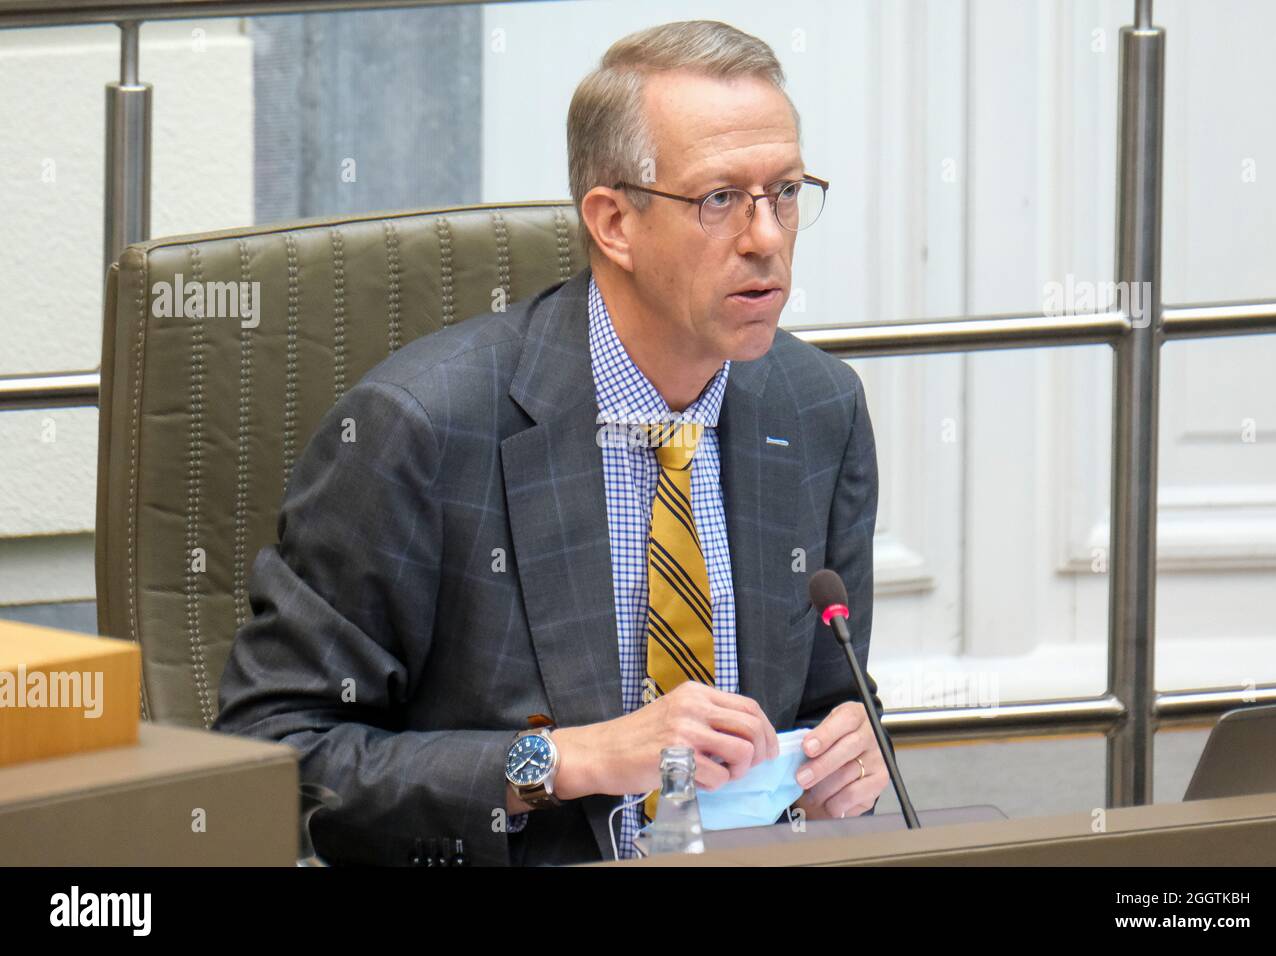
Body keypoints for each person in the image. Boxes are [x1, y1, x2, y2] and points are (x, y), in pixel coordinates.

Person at [214, 18, 892, 867]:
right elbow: (273, 756)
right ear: (614, 222)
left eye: (786, 192)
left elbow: (831, 706)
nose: (766, 237)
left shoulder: (818, 407)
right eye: (720, 199)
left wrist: (844, 764)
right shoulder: (420, 429)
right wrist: (564, 761)